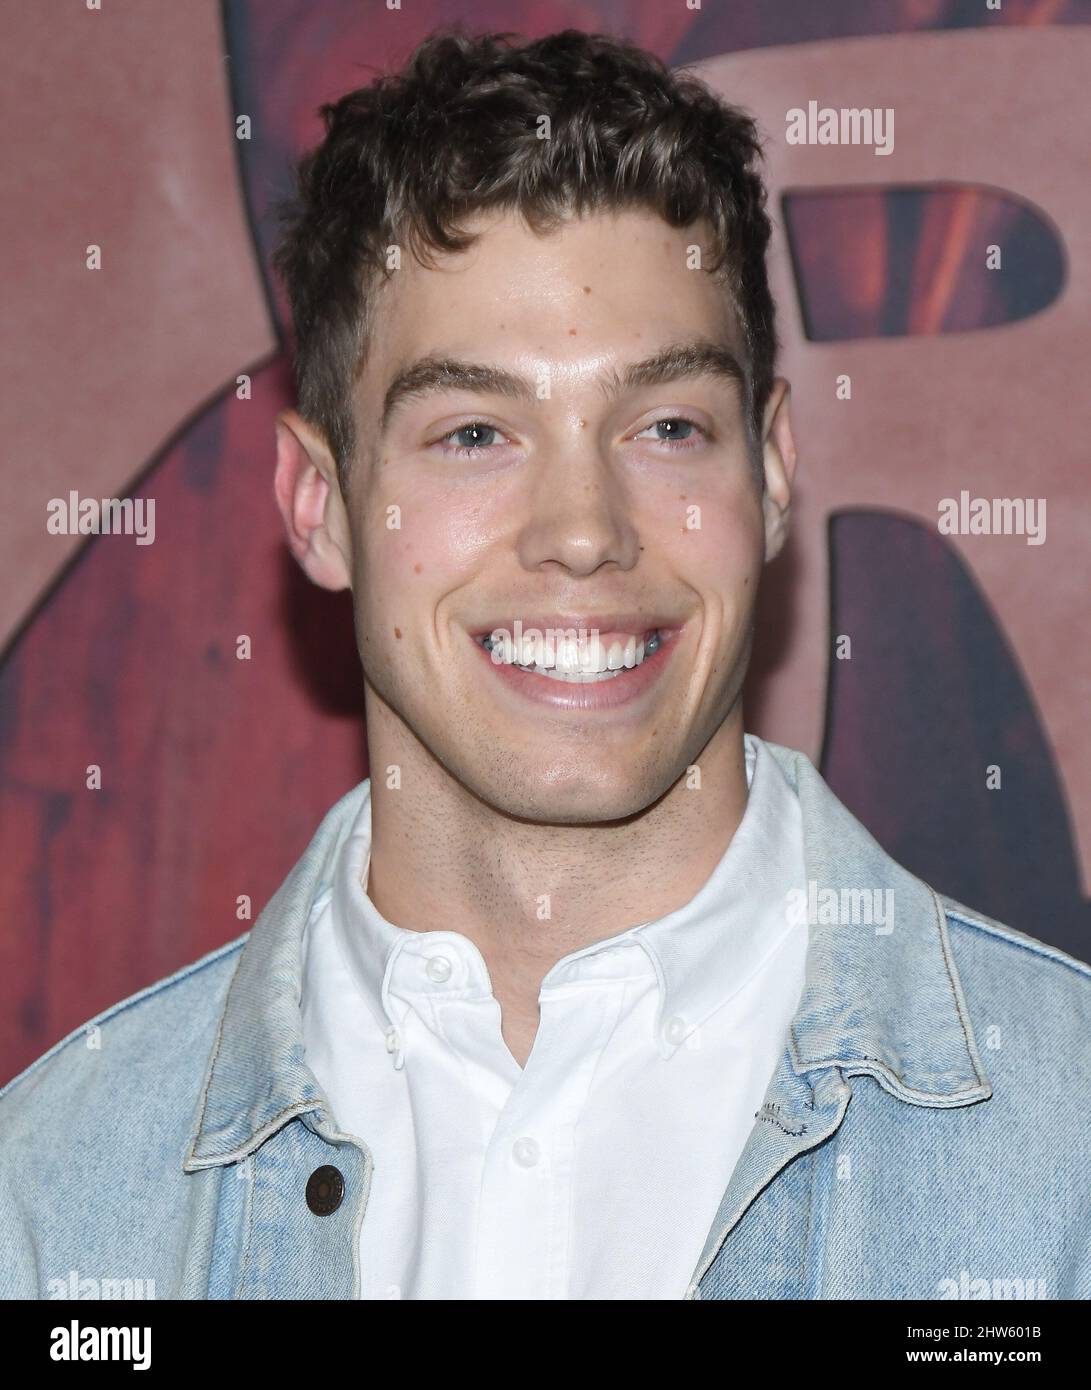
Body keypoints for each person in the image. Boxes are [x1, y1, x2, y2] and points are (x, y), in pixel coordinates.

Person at [3, 28, 1088, 1302]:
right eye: (473, 433)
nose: (583, 529)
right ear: (318, 505)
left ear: (773, 473)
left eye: (667, 425)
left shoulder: (1061, 1154)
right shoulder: (54, 1197)